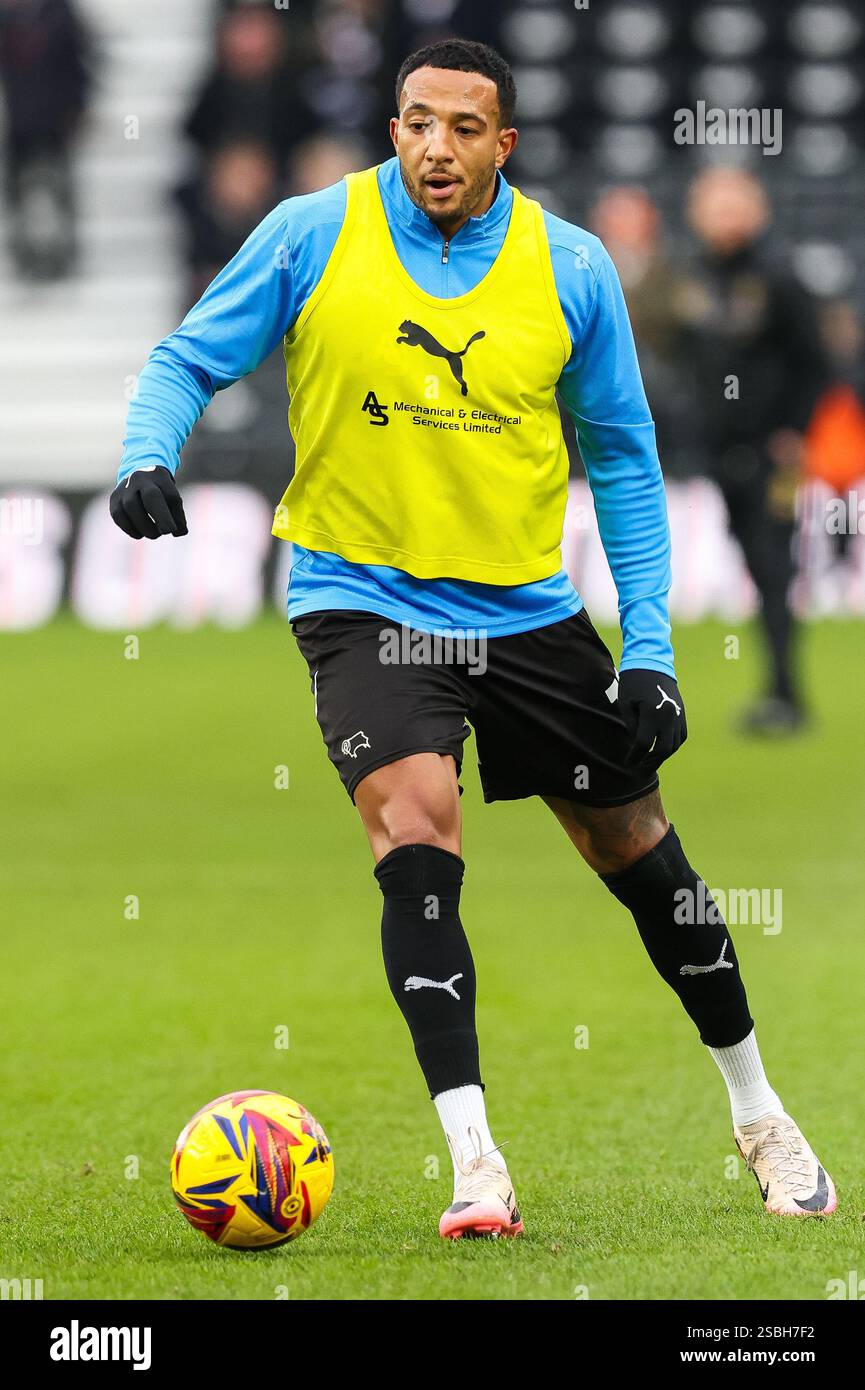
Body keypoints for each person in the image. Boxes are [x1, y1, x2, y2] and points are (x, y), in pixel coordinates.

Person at [110, 40, 835, 1237]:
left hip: (529, 613)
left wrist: (647, 645)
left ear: (505, 144)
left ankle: (759, 1111)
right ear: (391, 127)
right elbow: (188, 357)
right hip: (363, 601)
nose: (433, 148)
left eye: (460, 127)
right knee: (413, 825)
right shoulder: (310, 232)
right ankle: (476, 1162)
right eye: (413, 122)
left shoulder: (572, 266)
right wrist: (147, 451)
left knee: (642, 857)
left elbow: (625, 459)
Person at [680, 167, 829, 734]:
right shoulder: (700, 277)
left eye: (730, 206)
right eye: (712, 207)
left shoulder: (779, 276)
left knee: (772, 564)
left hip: (772, 452)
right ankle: (777, 691)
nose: (721, 218)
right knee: (754, 563)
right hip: (724, 450)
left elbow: (816, 362)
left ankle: (786, 695)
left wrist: (794, 430)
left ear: (755, 210)